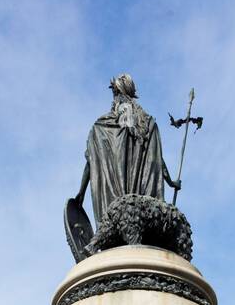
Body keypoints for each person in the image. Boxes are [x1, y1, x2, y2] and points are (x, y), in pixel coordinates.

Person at [75, 74, 180, 228]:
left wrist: (81, 192)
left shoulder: (101, 128)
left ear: (118, 94)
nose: (114, 99)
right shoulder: (148, 124)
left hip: (116, 213)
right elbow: (156, 160)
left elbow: (91, 162)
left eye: (115, 94)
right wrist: (171, 182)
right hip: (142, 210)